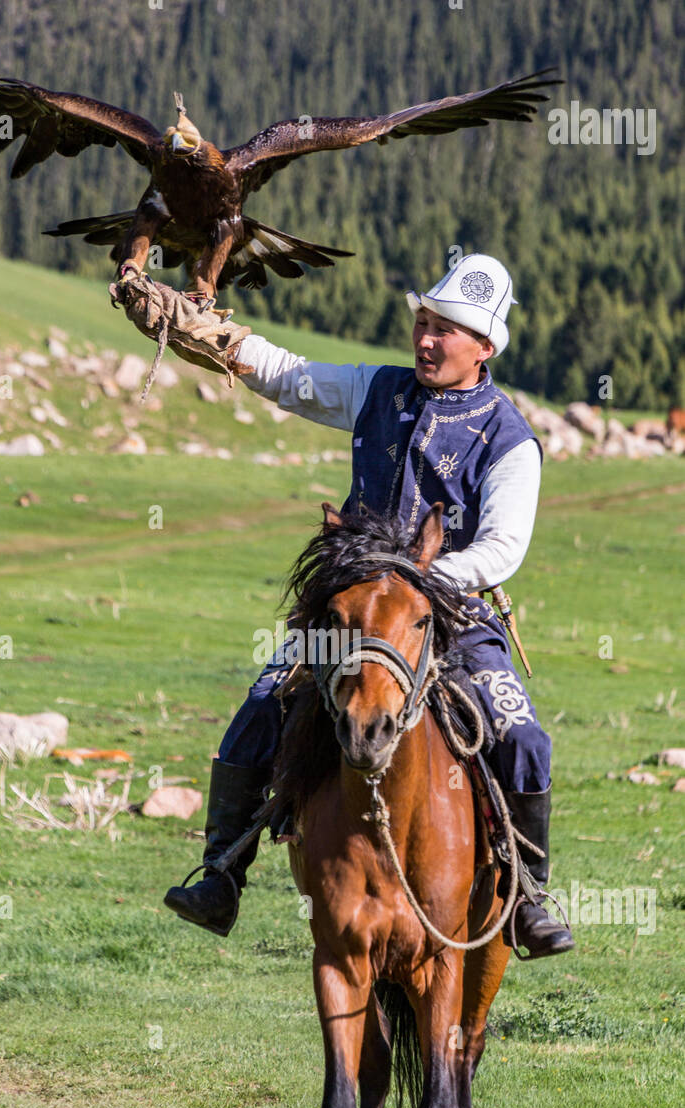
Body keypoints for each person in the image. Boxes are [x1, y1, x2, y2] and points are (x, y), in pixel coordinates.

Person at [164, 253, 575, 960]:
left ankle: (529, 894)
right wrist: (215, 338)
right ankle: (222, 872)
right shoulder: (378, 390)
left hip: (450, 617)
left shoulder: (509, 438)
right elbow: (294, 379)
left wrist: (421, 582)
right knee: (261, 705)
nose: (425, 340)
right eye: (421, 323)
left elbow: (503, 547)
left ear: (485, 347)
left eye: (444, 331)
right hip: (349, 617)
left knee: (524, 738)